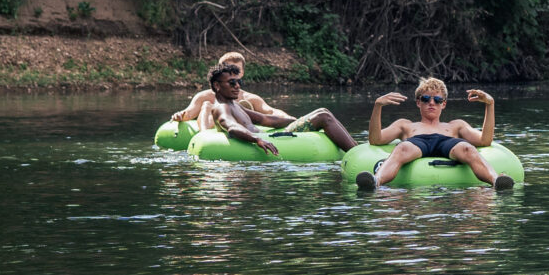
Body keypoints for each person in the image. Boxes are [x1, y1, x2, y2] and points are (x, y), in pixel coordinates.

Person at [360, 78, 513, 191]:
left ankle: (496, 180)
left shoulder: (455, 126)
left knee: (468, 148)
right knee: (402, 148)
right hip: (417, 143)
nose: (431, 103)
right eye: (426, 98)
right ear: (418, 102)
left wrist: (490, 104)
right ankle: (375, 181)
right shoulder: (406, 125)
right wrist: (378, 106)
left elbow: (485, 140)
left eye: (437, 99)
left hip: (447, 142)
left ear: (443, 104)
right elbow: (375, 140)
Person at [175, 62, 359, 152]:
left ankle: (356, 149)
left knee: (322, 112)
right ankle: (356, 153)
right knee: (323, 116)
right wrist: (257, 139)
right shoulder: (221, 107)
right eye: (232, 83)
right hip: (268, 139)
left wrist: (296, 120)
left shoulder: (235, 105)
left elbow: (266, 119)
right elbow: (231, 127)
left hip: (272, 134)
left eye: (239, 82)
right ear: (217, 86)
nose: (237, 86)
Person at [170, 51, 278, 130]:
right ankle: (216, 123)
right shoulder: (203, 97)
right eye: (228, 69)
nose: (233, 74)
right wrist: (180, 115)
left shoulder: (251, 99)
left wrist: (286, 118)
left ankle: (242, 117)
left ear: (242, 73)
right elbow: (189, 113)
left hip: (240, 128)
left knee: (240, 107)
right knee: (208, 105)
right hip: (211, 128)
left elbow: (271, 111)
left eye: (236, 70)